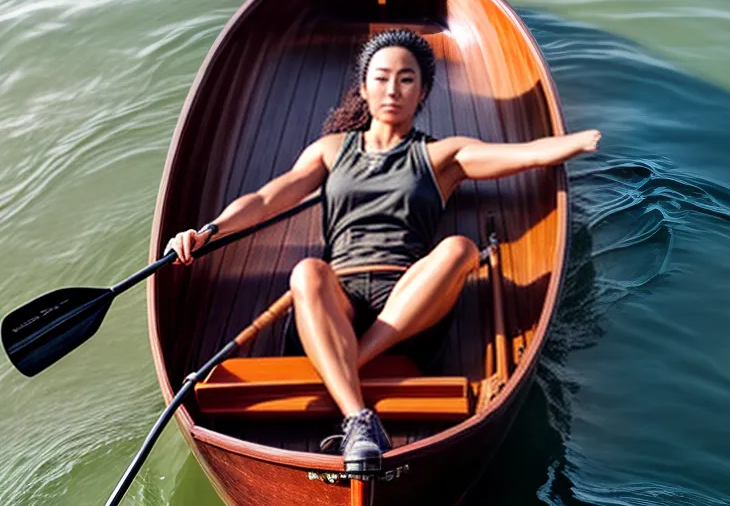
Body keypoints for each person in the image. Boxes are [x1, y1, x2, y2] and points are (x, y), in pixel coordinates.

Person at [167, 29, 599, 473]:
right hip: (337, 302)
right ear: (364, 87)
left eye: (406, 79)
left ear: (423, 91)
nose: (393, 89)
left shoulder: (441, 156)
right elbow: (265, 199)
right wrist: (209, 232)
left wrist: (582, 141)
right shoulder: (331, 151)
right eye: (381, 78)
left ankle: (346, 362)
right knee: (307, 272)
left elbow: (526, 154)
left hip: (410, 304)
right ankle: (359, 419)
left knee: (459, 249)